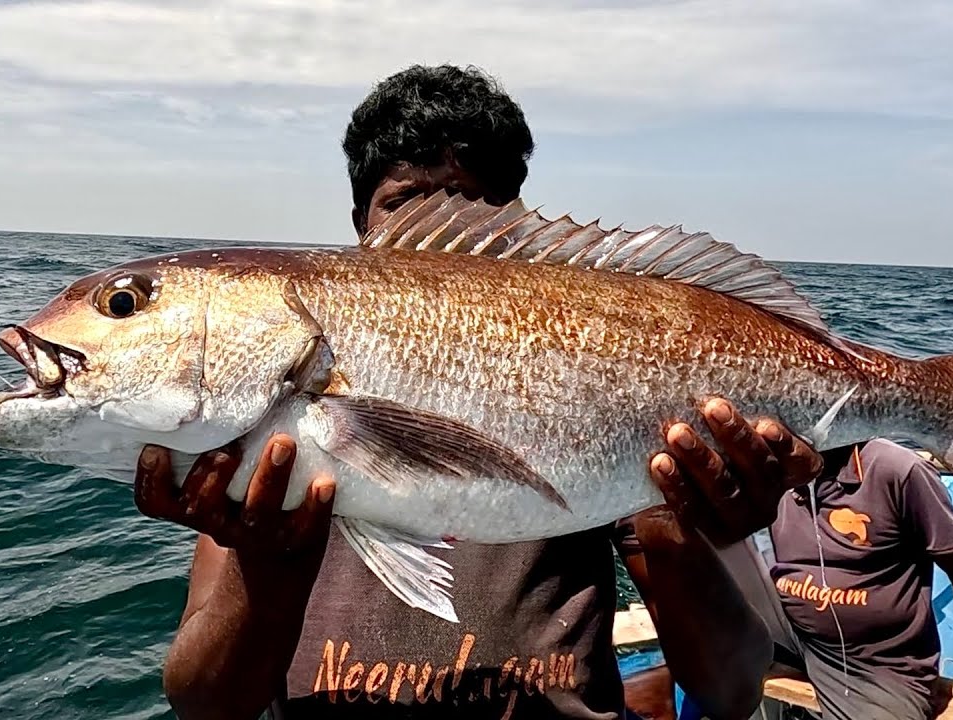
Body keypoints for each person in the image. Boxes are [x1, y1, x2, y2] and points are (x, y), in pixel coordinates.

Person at [133, 64, 816, 720]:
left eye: (472, 221)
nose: (441, 253)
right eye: (405, 213)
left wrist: (672, 520)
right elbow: (206, 707)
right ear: (358, 228)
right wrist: (267, 556)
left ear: (519, 237)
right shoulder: (258, 430)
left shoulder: (588, 382)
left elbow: (730, 691)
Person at [649, 404, 953, 720]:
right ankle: (668, 691)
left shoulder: (897, 471)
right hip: (791, 628)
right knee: (678, 530)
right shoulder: (766, 464)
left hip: (878, 667)